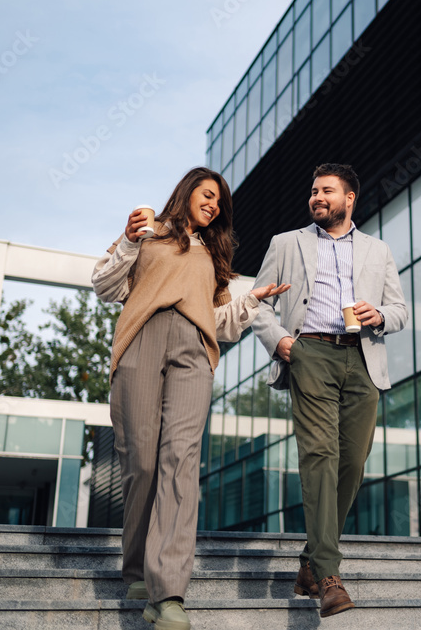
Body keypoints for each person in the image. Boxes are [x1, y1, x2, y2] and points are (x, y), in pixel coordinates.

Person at [92, 166, 288, 630]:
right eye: (208, 195)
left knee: (180, 461)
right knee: (141, 461)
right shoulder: (147, 232)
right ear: (186, 193)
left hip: (194, 352)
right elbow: (105, 285)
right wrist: (129, 242)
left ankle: (168, 593)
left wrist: (252, 300)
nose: (214, 205)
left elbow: (218, 321)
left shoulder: (212, 255)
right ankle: (137, 570)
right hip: (142, 340)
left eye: (219, 201)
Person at [251, 163, 408, 618]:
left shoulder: (378, 249)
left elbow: (400, 310)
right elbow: (257, 304)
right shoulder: (286, 243)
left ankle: (309, 562)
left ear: (349, 198)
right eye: (313, 191)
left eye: (327, 191)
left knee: (352, 462)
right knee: (319, 454)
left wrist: (380, 314)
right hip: (310, 353)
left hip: (362, 359)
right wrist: (280, 341)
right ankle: (329, 576)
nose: (317, 198)